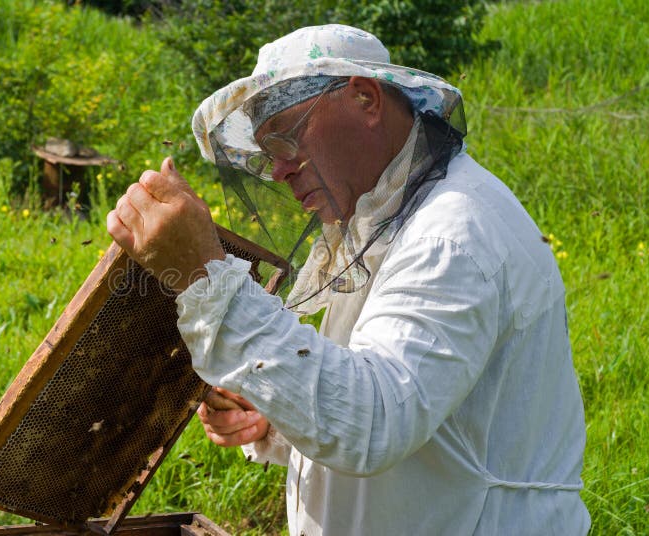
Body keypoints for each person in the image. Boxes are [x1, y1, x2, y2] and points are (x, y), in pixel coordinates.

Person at [107, 24, 590, 536]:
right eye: (268, 153)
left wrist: (206, 276)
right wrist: (276, 411)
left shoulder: (450, 238)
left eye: (285, 138)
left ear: (365, 98)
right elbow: (399, 391)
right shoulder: (378, 220)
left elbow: (373, 423)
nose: (279, 171)